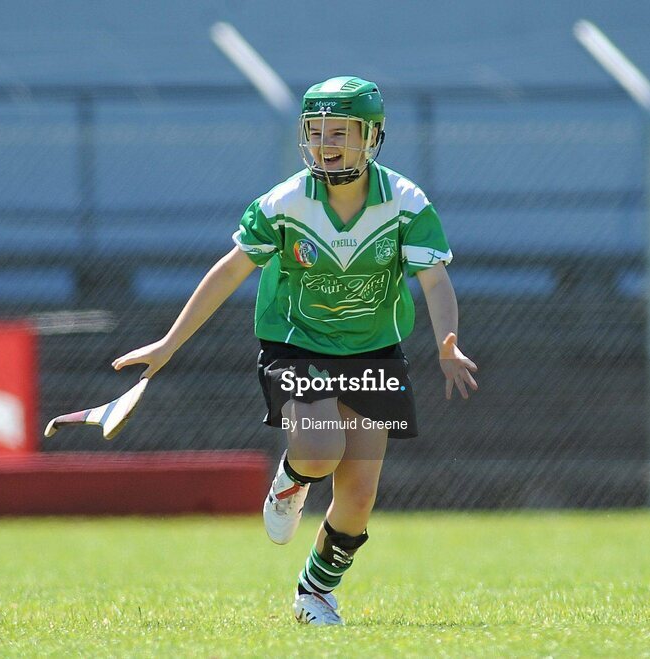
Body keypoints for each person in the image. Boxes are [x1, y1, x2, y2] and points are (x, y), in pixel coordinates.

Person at [112, 76, 478, 626]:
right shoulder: (284, 203)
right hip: (295, 343)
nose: (326, 142)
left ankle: (315, 592)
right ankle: (291, 480)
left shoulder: (406, 203)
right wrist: (168, 343)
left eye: (340, 131)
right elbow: (229, 270)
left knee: (357, 498)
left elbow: (435, 282)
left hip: (375, 351)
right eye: (315, 130)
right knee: (319, 448)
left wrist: (447, 340)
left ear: (372, 136)